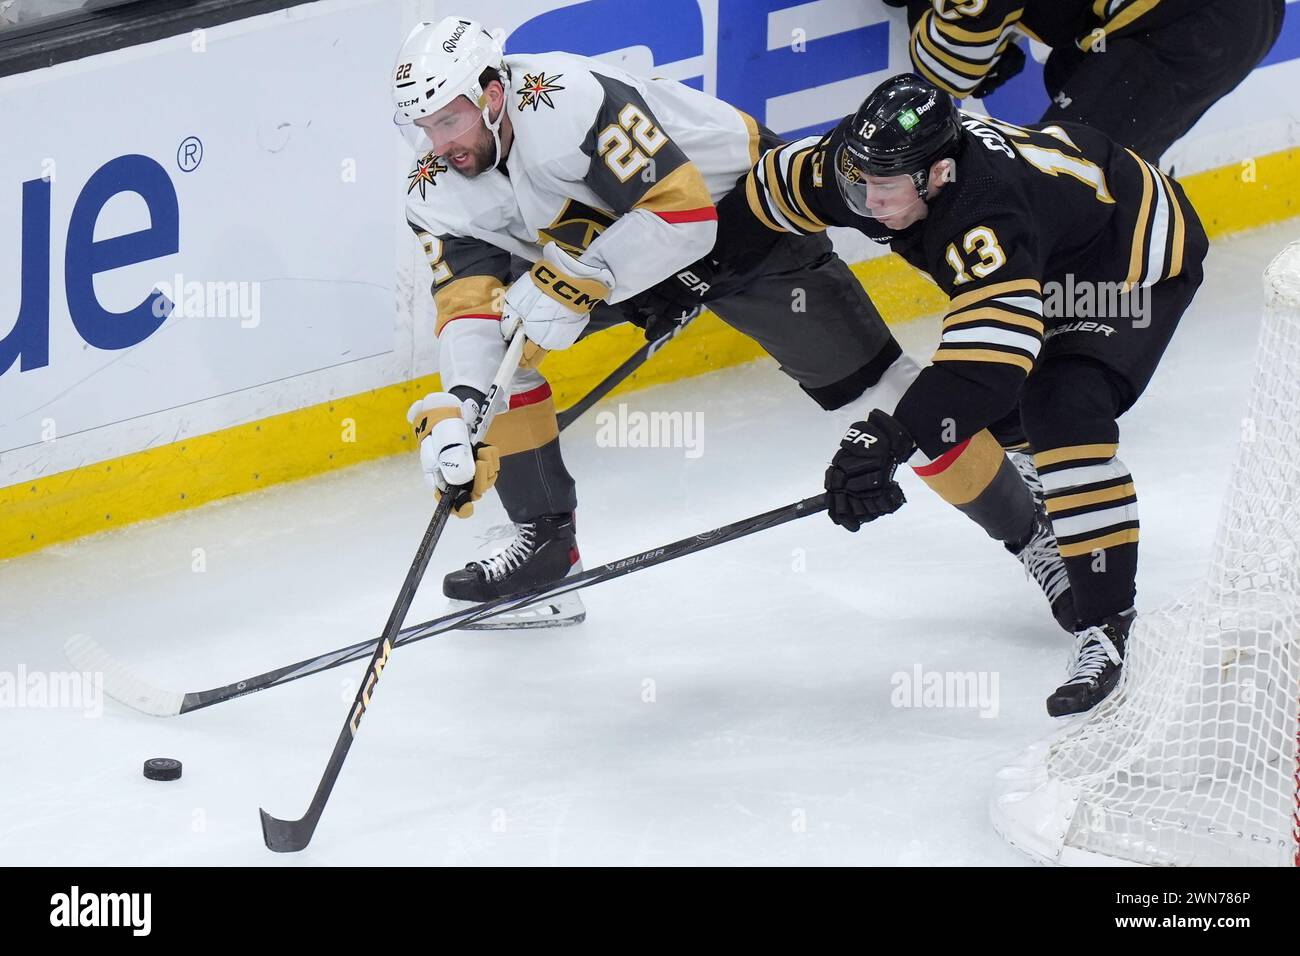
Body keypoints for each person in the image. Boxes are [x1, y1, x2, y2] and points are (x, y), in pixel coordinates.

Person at [394, 17, 937, 628]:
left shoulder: (565, 99)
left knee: (877, 390)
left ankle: (1029, 509)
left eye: (448, 120)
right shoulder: (432, 182)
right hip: (619, 247)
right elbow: (469, 303)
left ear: (493, 95)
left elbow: (685, 214)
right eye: (424, 126)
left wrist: (582, 283)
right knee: (502, 343)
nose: (437, 145)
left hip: (738, 217)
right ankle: (547, 553)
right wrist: (466, 404)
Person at [733, 73, 1208, 715]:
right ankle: (1040, 502)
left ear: (939, 176)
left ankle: (1107, 623)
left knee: (1063, 413)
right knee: (998, 400)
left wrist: (891, 438)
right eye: (858, 181)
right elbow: (766, 192)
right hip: (1053, 236)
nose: (867, 202)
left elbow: (989, 363)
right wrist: (697, 273)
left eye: (886, 189)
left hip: (1126, 263)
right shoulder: (858, 166)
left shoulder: (986, 212)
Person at [884, 0, 1285, 162]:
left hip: (1190, 25)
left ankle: (1099, 320)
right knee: (1069, 78)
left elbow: (950, 72)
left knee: (1058, 181)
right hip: (1205, 18)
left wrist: (926, 11)